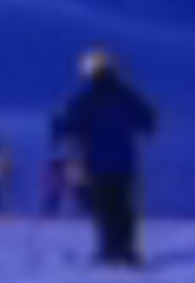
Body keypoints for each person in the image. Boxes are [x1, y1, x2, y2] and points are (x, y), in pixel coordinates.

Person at [54, 49, 158, 267]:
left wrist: (60, 129)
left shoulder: (88, 98)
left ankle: (109, 250)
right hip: (125, 161)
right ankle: (128, 250)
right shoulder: (125, 94)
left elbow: (72, 124)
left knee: (104, 206)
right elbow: (147, 119)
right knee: (125, 206)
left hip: (98, 161)